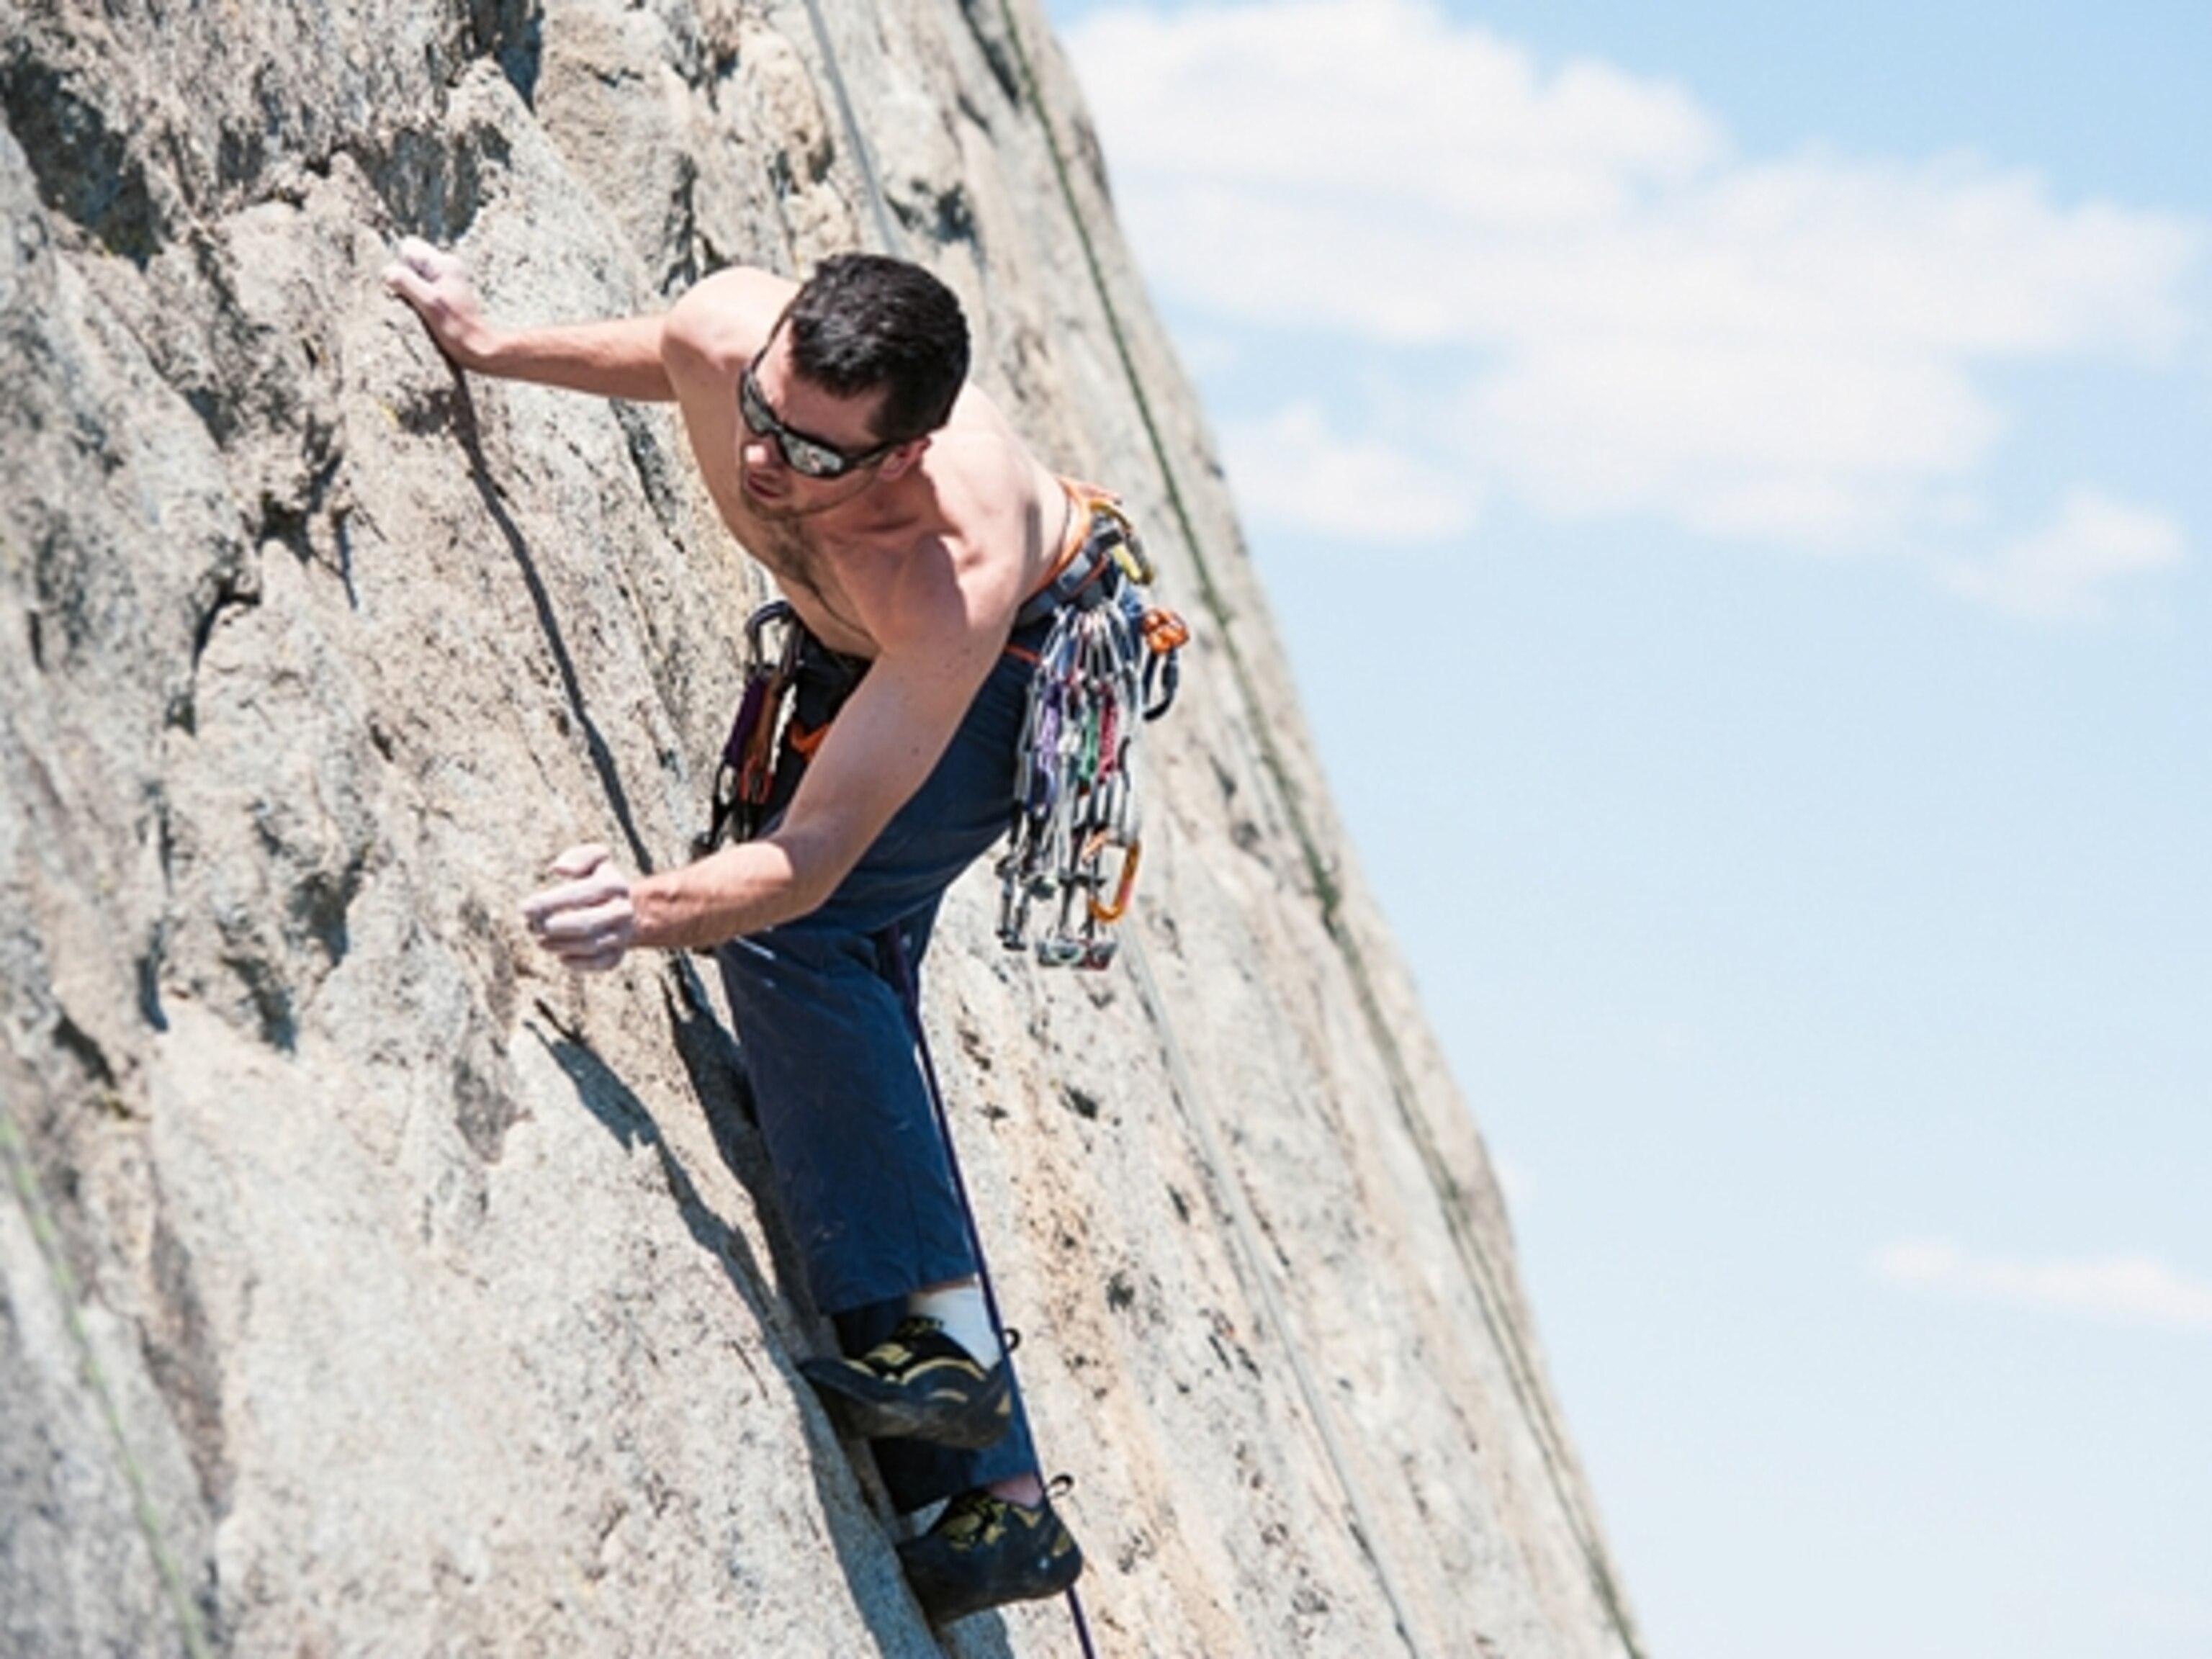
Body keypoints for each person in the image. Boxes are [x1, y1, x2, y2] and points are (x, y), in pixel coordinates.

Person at [383, 239, 1100, 1623]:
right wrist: (491, 343)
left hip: (1014, 669)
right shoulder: (731, 335)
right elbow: (662, 354)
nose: (766, 461)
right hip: (858, 644)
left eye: (816, 453)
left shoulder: (950, 573)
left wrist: (642, 911)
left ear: (904, 456)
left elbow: (815, 857)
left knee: (801, 939)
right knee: (835, 967)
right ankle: (989, 1487)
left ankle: (943, 1373)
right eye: (764, 414)